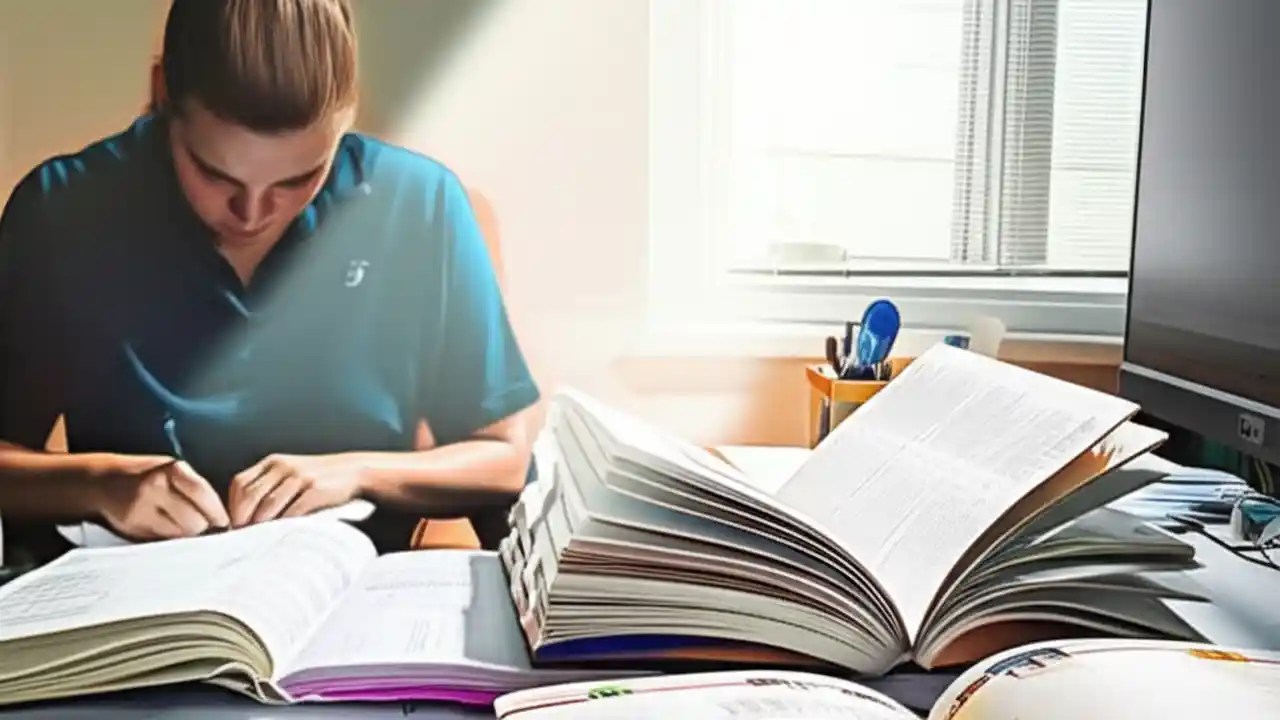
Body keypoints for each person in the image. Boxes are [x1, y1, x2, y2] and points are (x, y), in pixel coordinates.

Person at [0, 0, 539, 560]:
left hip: (351, 588)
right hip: (129, 593)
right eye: (214, 174)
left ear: (346, 119)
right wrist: (99, 483)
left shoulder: (418, 204)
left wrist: (355, 472)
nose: (252, 213)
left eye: (299, 178)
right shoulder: (64, 208)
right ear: (162, 94)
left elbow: (503, 457)